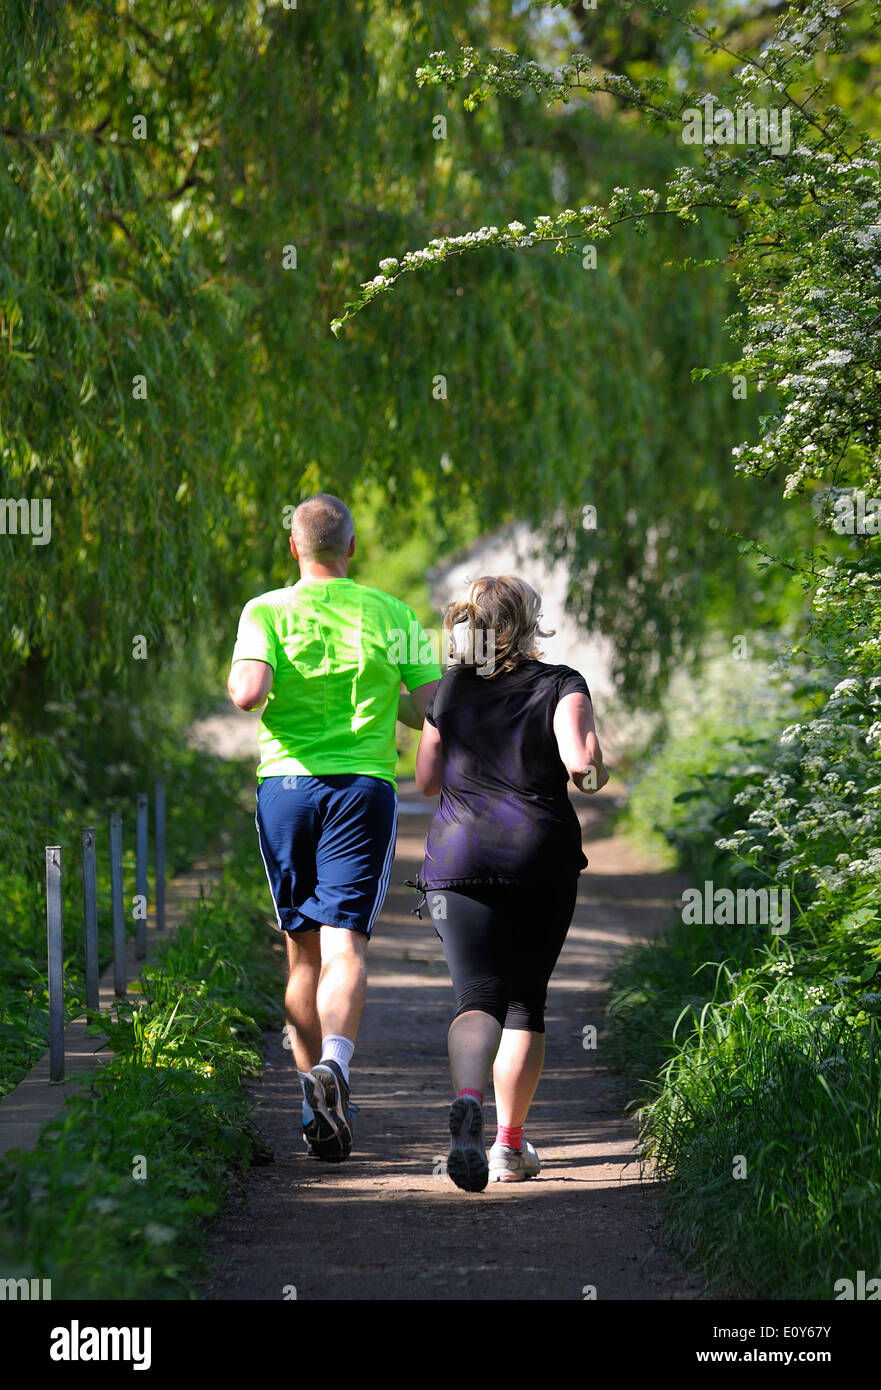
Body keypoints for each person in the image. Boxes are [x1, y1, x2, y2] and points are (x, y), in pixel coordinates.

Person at [227, 494, 440, 1161]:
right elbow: (432, 708)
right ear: (352, 549)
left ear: (294, 547)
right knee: (346, 946)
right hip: (362, 790)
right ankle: (337, 1069)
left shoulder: (264, 611)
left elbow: (246, 694)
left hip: (285, 789)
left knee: (301, 952)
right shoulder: (392, 613)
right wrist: (388, 700)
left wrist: (258, 672)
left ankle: (307, 1097)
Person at [412, 575, 608, 1192]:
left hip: (457, 857)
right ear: (528, 621)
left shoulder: (447, 692)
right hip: (536, 857)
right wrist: (595, 768)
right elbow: (581, 765)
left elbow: (424, 780)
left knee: (476, 999)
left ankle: (468, 1103)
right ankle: (506, 1146)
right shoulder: (561, 683)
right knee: (526, 1001)